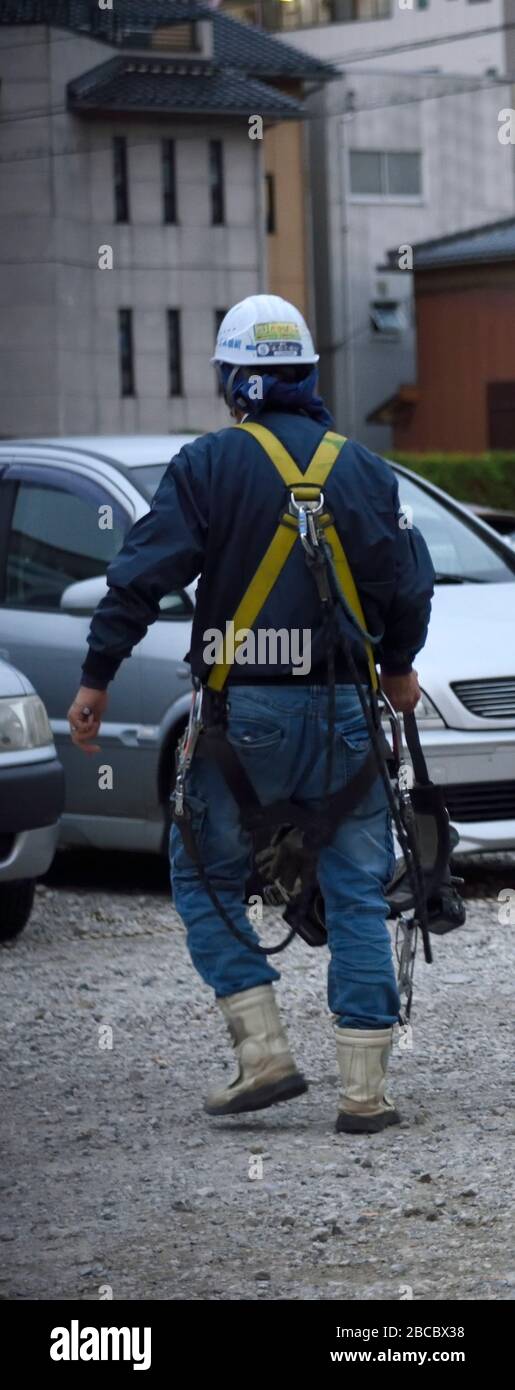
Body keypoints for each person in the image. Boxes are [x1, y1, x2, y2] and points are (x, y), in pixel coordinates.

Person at [68, 294, 434, 1133]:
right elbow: (407, 583)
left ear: (236, 378)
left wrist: (95, 679)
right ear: (305, 373)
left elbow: (139, 576)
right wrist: (402, 666)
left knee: (202, 870)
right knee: (352, 885)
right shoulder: (364, 467)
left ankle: (263, 1052)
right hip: (346, 708)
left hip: (243, 722)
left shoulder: (208, 464)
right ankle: (364, 1093)